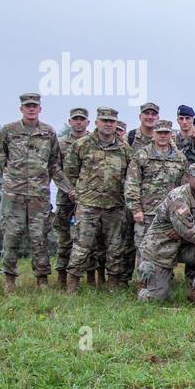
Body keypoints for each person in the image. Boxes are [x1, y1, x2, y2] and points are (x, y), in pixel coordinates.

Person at [0, 92, 71, 293]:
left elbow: (54, 165)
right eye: (27, 106)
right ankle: (9, 279)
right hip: (14, 197)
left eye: (34, 105)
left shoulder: (48, 133)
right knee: (11, 237)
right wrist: (5, 185)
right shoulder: (9, 131)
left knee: (40, 238)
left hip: (39, 196)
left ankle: (42, 279)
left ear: (40, 109)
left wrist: (70, 190)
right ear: (21, 109)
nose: (31, 109)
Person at [64, 107, 133, 292]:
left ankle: (113, 284)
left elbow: (130, 175)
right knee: (82, 246)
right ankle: (73, 284)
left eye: (112, 121)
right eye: (104, 121)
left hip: (114, 205)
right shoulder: (82, 145)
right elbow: (70, 171)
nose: (108, 124)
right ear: (96, 123)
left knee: (115, 247)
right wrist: (75, 191)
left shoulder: (124, 148)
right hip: (88, 205)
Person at [136, 164, 195, 303]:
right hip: (161, 248)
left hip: (186, 246)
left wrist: (186, 232)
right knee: (156, 299)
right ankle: (144, 284)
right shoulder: (178, 198)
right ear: (189, 178)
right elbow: (189, 232)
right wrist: (190, 232)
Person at [124, 120, 188, 253]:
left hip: (170, 215)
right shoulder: (142, 155)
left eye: (166, 132)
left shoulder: (180, 158)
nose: (163, 136)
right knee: (144, 251)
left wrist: (181, 212)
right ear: (154, 134)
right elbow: (132, 184)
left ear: (171, 134)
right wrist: (136, 209)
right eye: (159, 133)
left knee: (167, 253)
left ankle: (166, 275)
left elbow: (184, 188)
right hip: (146, 214)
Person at [51, 107, 91, 287]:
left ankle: (90, 277)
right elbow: (55, 169)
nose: (79, 122)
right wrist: (69, 189)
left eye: (82, 119)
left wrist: (83, 191)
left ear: (88, 122)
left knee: (88, 239)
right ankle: (62, 276)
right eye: (75, 119)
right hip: (66, 199)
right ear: (70, 122)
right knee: (65, 239)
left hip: (89, 199)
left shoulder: (93, 142)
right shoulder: (61, 144)